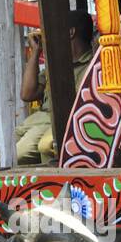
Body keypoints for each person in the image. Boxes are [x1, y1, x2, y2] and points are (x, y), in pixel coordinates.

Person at [18, 9, 95, 165]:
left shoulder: (92, 65)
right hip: (34, 121)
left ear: (71, 32)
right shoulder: (56, 64)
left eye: (56, 30)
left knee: (18, 153)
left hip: (57, 121)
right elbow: (27, 93)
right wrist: (36, 51)